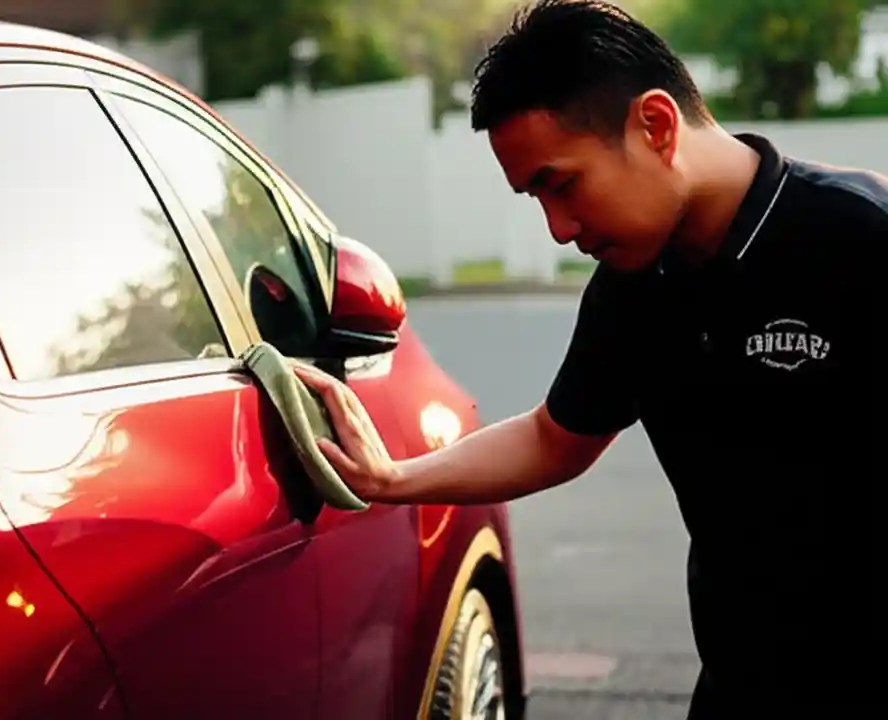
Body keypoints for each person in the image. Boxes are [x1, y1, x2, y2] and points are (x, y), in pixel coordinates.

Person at [295, 0, 884, 716]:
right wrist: (392, 479)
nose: (559, 229)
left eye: (562, 183)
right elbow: (555, 438)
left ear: (656, 126)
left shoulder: (858, 237)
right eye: (534, 198)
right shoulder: (632, 291)